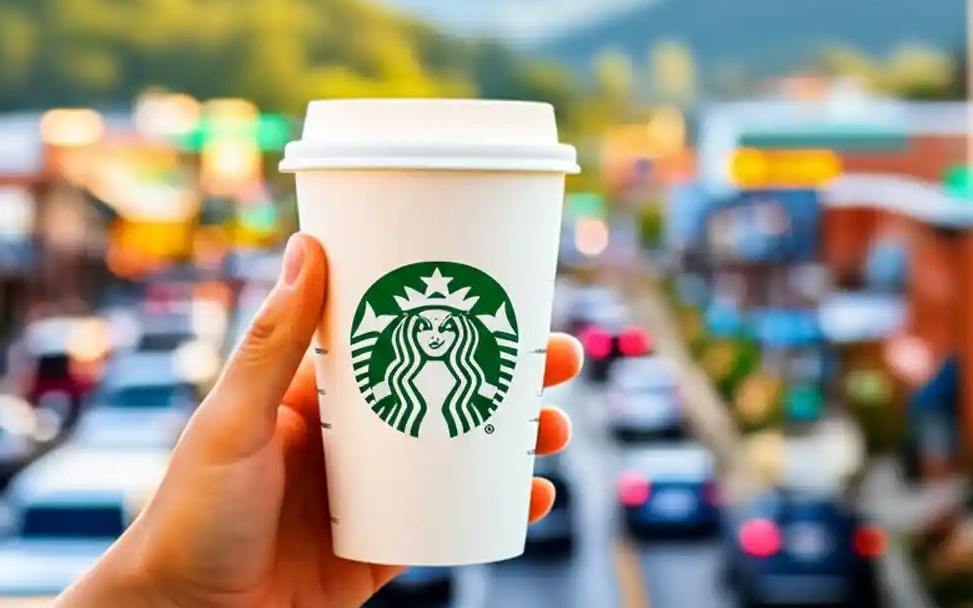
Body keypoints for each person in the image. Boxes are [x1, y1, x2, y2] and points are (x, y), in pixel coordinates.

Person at [58, 234, 581, 607]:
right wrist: (174, 593)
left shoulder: (469, 383)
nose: (437, 336)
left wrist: (171, 596)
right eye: (424, 325)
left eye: (450, 326)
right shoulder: (398, 384)